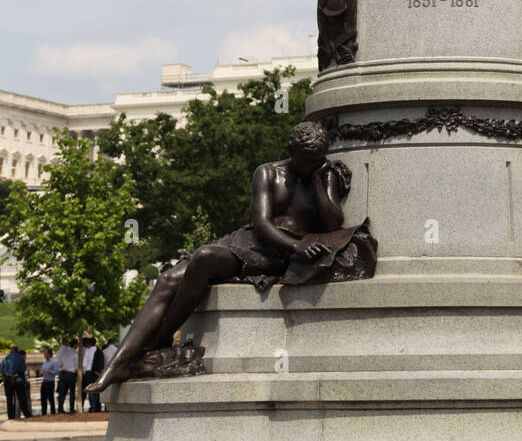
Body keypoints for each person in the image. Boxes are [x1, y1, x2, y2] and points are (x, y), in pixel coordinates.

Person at [89, 121, 377, 395]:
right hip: (254, 241)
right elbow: (262, 225)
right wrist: (297, 245)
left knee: (203, 258)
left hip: (276, 257)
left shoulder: (324, 174)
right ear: (291, 152)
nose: (308, 165)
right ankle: (118, 364)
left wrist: (316, 179)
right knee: (168, 278)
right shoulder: (267, 173)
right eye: (304, 159)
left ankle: (159, 338)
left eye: (315, 159)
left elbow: (332, 223)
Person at [1, 345, 32, 419]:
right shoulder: (20, 358)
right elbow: (23, 368)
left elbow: (2, 368)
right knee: (22, 398)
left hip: (8, 379)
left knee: (9, 399)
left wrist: (7, 374)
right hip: (18, 379)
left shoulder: (6, 358)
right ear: (17, 351)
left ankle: (11, 416)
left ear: (11, 351)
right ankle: (26, 414)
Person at [55, 337, 78, 413]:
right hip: (71, 374)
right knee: (72, 392)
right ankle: (71, 408)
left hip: (63, 373)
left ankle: (60, 409)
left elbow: (59, 363)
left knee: (62, 393)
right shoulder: (73, 352)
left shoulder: (59, 351)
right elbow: (76, 364)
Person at [39, 347, 59, 415]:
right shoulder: (44, 362)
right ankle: (43, 412)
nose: (44, 355)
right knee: (43, 398)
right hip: (44, 381)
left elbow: (56, 371)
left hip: (50, 381)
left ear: (49, 354)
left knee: (50, 398)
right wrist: (41, 372)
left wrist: (49, 371)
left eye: (45, 354)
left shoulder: (54, 362)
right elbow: (42, 369)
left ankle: (53, 412)